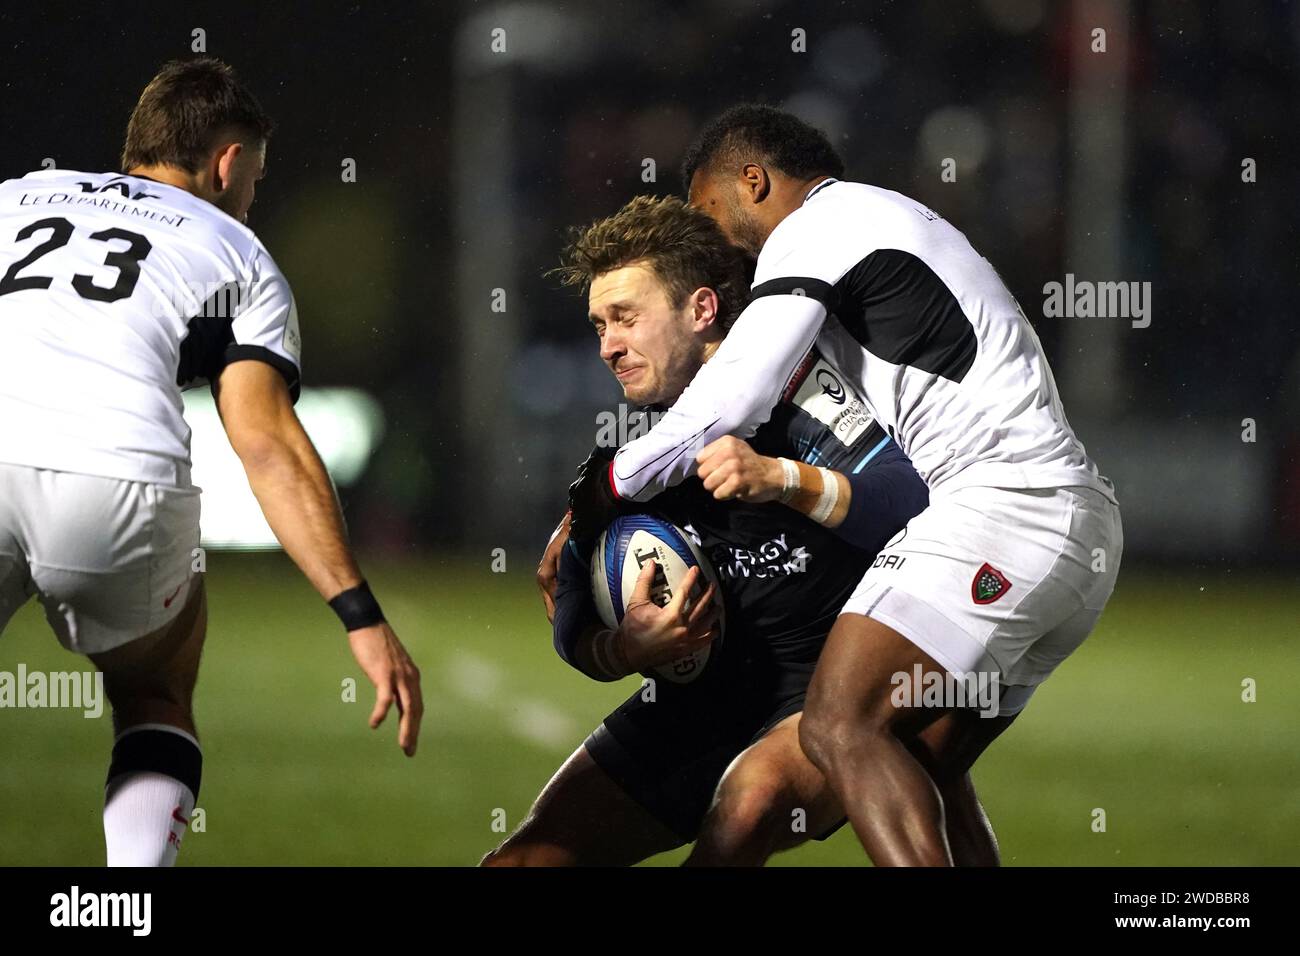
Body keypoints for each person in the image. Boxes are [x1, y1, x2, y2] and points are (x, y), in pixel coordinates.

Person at [567, 106, 1123, 866]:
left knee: (838, 725)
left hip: (1006, 503)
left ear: (752, 181)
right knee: (921, 766)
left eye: (707, 210)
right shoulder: (881, 222)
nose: (712, 242)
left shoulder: (819, 226)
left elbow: (735, 395)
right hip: (1066, 522)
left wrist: (609, 485)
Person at [0, 57, 422, 866]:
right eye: (256, 176)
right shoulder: (236, 248)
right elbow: (265, 442)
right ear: (228, 161)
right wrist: (359, 614)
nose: (254, 195)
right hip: (115, 476)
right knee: (154, 694)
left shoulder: (15, 195)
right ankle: (126, 911)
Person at [495, 196, 997, 866]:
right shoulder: (633, 458)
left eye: (625, 318)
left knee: (743, 816)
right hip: (700, 704)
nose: (607, 344)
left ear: (702, 310)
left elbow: (910, 504)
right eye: (597, 325)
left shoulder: (806, 396)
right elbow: (570, 617)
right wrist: (627, 648)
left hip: (824, 699)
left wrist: (779, 478)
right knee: (524, 861)